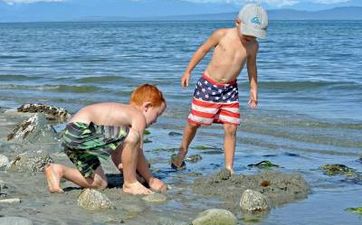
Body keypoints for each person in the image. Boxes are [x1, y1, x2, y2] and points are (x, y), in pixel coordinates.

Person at [171, 3, 268, 173]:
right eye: (248, 33)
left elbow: (252, 68)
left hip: (229, 90)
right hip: (208, 86)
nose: (250, 38)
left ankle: (229, 168)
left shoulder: (253, 46)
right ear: (237, 22)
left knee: (231, 127)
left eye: (254, 35)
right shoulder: (221, 35)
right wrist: (188, 71)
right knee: (194, 123)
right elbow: (202, 50)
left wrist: (254, 88)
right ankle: (182, 151)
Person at [45, 84, 167, 195]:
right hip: (81, 130)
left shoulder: (121, 122)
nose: (155, 121)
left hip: (71, 135)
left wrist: (127, 168)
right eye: (157, 115)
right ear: (147, 106)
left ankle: (58, 170)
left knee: (100, 183)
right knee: (134, 136)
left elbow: (118, 155)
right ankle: (130, 184)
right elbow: (138, 151)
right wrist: (150, 179)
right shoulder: (137, 115)